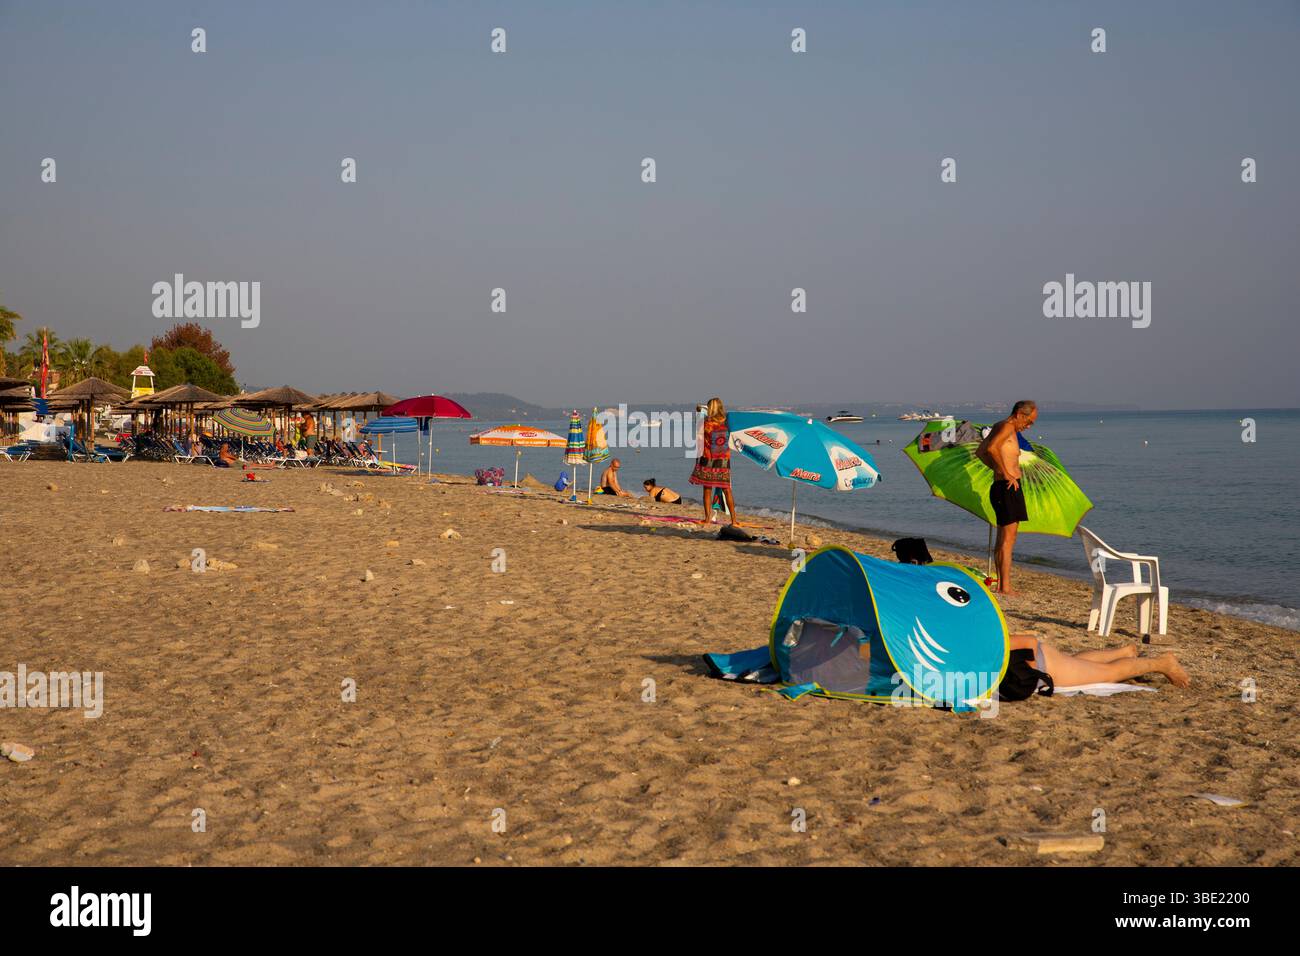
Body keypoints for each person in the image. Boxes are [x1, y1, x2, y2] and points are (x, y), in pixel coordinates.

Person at [976, 400, 1038, 595]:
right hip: (1007, 487)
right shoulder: (1007, 426)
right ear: (1020, 414)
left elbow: (980, 452)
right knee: (1007, 540)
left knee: (1003, 539)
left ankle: (1003, 585)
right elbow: (991, 449)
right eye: (1029, 421)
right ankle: (1005, 587)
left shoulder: (1001, 426)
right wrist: (1006, 473)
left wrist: (999, 471)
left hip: (1003, 486)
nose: (1029, 426)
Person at [1009, 633, 1190, 688]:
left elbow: (1029, 641)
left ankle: (1163, 663)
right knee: (1075, 663)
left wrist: (1030, 675)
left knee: (1109, 674)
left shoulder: (983, 638)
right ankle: (1124, 653)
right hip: (1046, 661)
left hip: (1045, 666)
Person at [689, 397, 738, 525]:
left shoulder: (705, 422)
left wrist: (696, 459)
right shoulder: (727, 422)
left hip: (708, 458)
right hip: (723, 459)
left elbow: (699, 440)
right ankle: (734, 520)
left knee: (707, 489)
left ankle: (707, 518)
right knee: (727, 489)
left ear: (710, 408)